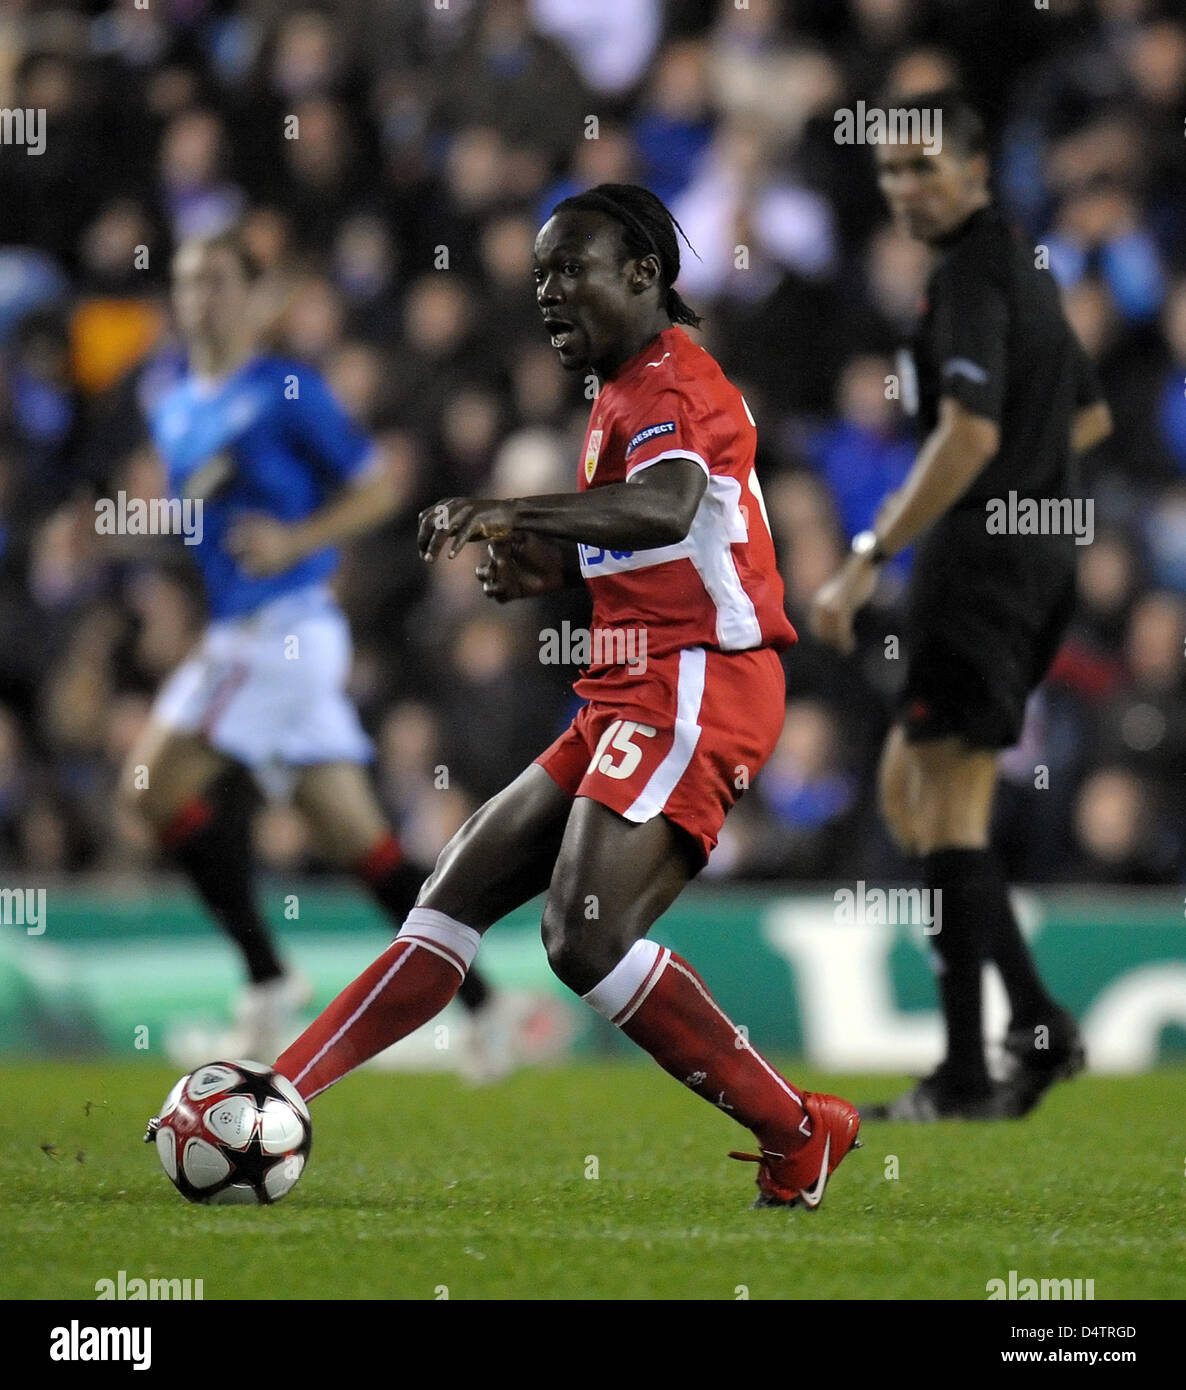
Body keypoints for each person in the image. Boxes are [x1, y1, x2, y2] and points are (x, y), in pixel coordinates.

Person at [270, 183, 862, 1209]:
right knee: (449, 899)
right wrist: (541, 566)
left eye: (570, 269)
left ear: (643, 274)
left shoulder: (677, 383)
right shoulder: (619, 394)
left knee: (582, 935)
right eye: (539, 274)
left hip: (697, 680)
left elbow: (666, 505)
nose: (547, 292)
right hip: (627, 684)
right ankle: (277, 1094)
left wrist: (509, 505)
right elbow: (647, 537)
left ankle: (797, 1127)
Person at [127, 231, 541, 1074]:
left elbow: (380, 484)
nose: (197, 296)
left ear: (249, 293)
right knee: (362, 842)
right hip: (242, 632)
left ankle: (267, 975)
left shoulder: (285, 390)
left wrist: (296, 540)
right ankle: (489, 1006)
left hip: (285, 626)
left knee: (148, 788)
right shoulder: (171, 401)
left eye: (214, 278)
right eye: (184, 280)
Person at [811, 93, 1112, 1121]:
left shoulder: (972, 273)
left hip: (980, 572)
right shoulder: (1023, 266)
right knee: (919, 796)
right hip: (1023, 569)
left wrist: (867, 553)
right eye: (890, 171)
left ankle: (970, 1070)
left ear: (978, 171)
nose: (904, 187)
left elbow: (969, 435)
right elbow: (1092, 411)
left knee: (937, 804)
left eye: (924, 166)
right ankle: (1025, 1034)